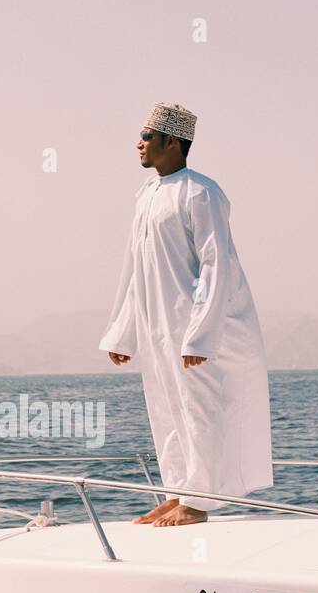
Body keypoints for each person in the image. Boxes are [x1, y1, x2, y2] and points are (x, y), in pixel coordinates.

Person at [99, 102, 274, 527]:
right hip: (157, 324)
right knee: (166, 410)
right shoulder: (146, 195)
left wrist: (201, 335)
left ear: (171, 142)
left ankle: (198, 503)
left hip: (192, 326)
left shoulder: (201, 192)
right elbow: (135, 268)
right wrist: (124, 332)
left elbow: (218, 263)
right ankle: (177, 492)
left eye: (146, 136)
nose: (138, 144)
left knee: (199, 411)